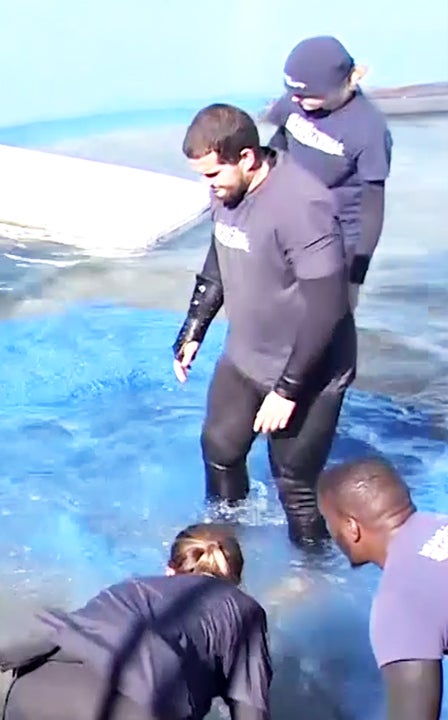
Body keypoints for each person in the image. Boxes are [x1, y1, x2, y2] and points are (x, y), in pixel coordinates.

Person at [172, 103, 355, 546]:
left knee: (294, 486)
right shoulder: (226, 194)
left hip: (309, 371)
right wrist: (195, 326)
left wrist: (287, 389)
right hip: (246, 356)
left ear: (248, 159)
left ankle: (310, 574)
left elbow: (328, 308)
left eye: (213, 175)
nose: (208, 187)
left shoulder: (303, 206)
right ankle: (224, 548)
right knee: (220, 452)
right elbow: (220, 253)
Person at [0, 523, 271, 720]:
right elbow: (251, 711)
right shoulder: (245, 610)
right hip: (131, 705)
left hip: (37, 685)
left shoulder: (135, 587)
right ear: (236, 581)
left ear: (169, 570)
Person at [265, 36, 394, 311]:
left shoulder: (369, 128)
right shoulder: (295, 100)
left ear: (344, 84)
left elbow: (373, 206)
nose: (296, 100)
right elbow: (278, 145)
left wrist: (357, 272)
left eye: (307, 95)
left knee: (329, 318)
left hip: (338, 236)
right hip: (293, 220)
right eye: (292, 93)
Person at [318, 456, 446, 720]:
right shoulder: (441, 522)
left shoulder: (399, 601)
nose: (330, 533)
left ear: (352, 527)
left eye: (328, 522)